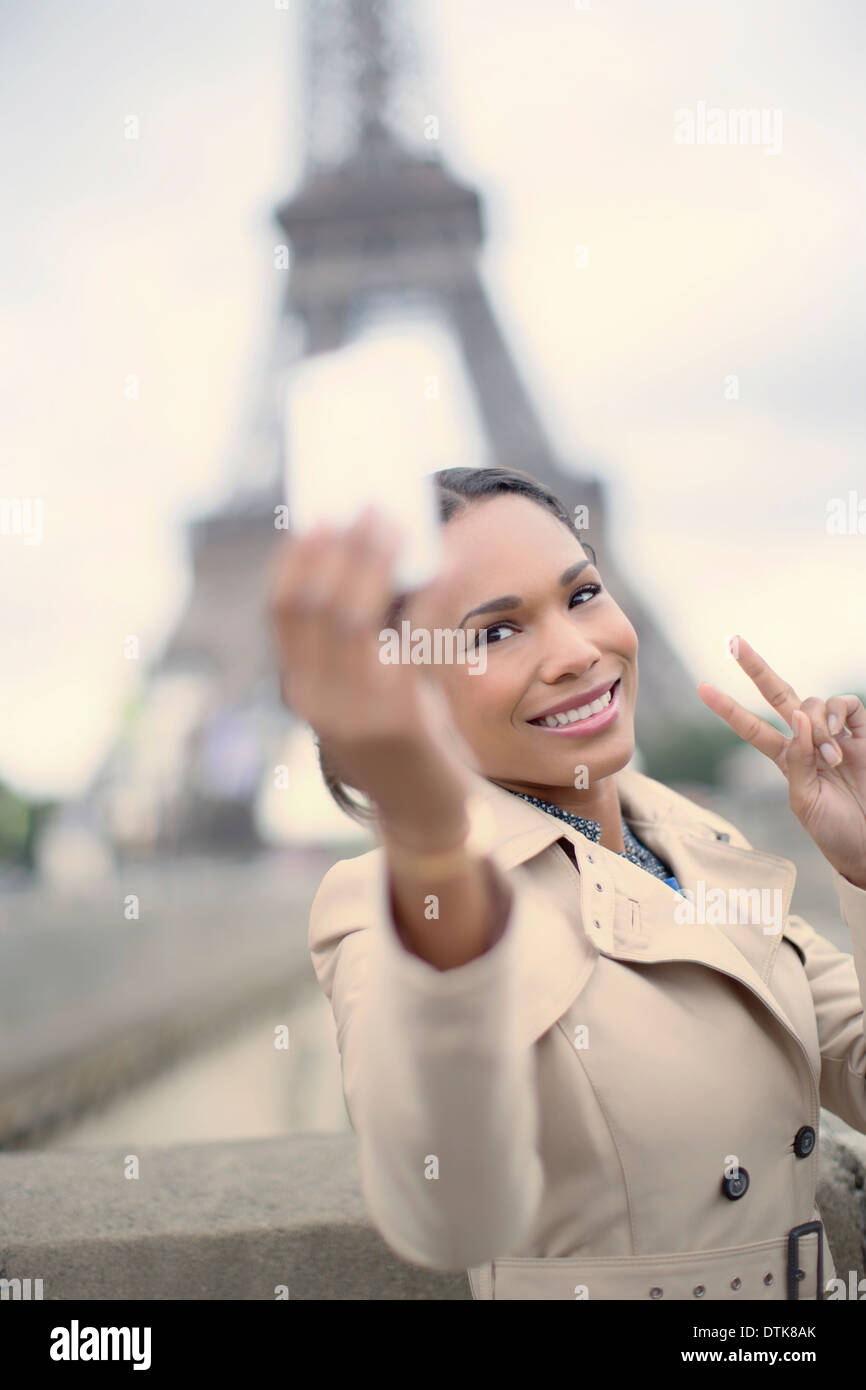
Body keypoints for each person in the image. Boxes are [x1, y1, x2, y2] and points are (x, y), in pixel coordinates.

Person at [268, 465, 866, 1301]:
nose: (576, 652)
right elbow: (446, 1209)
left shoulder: (697, 844)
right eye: (495, 634)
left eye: (581, 594)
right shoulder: (399, 905)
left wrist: (862, 864)